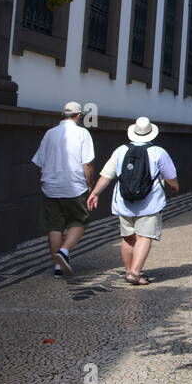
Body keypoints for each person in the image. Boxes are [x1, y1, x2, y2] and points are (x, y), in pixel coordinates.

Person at [87, 117, 178, 286]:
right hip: (149, 204)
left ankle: (129, 270)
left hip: (124, 202)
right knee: (144, 237)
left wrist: (95, 193)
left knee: (128, 237)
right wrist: (175, 186)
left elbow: (107, 174)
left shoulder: (120, 150)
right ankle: (135, 273)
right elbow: (171, 177)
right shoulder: (158, 152)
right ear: (151, 134)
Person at [32, 101, 96, 278]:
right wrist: (90, 184)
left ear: (63, 115)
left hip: (50, 186)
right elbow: (88, 164)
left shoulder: (49, 133)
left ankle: (58, 267)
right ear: (79, 116)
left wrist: (45, 180)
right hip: (74, 186)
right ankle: (64, 252)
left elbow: (39, 163)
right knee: (79, 221)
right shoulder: (83, 133)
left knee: (54, 226)